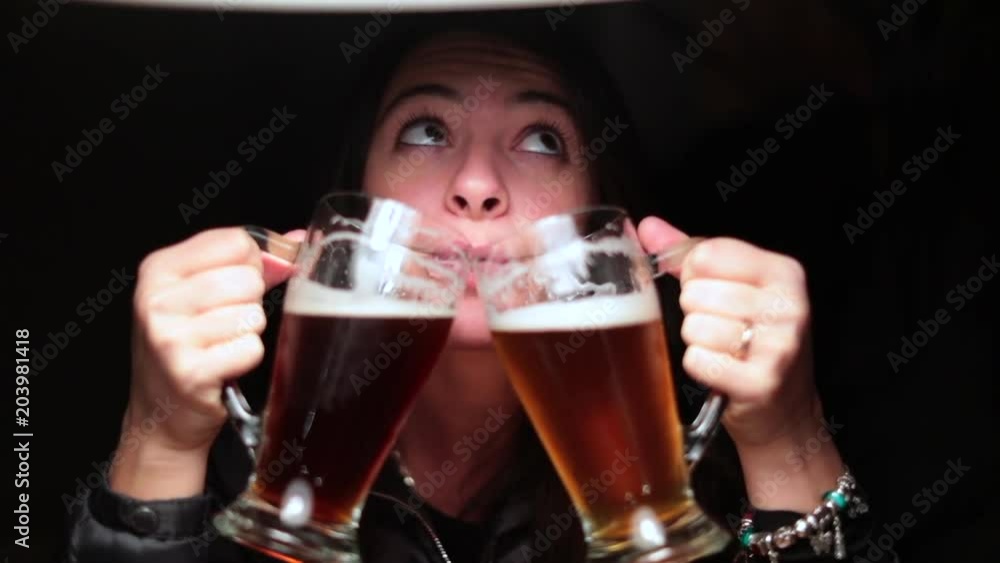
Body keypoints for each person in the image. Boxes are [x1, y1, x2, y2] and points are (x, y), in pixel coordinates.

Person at [60, 11, 873, 563]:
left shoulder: (668, 483)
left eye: (541, 139)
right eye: (426, 129)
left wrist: (786, 437)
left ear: (609, 225)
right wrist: (159, 438)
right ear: (351, 209)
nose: (478, 183)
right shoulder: (260, 471)